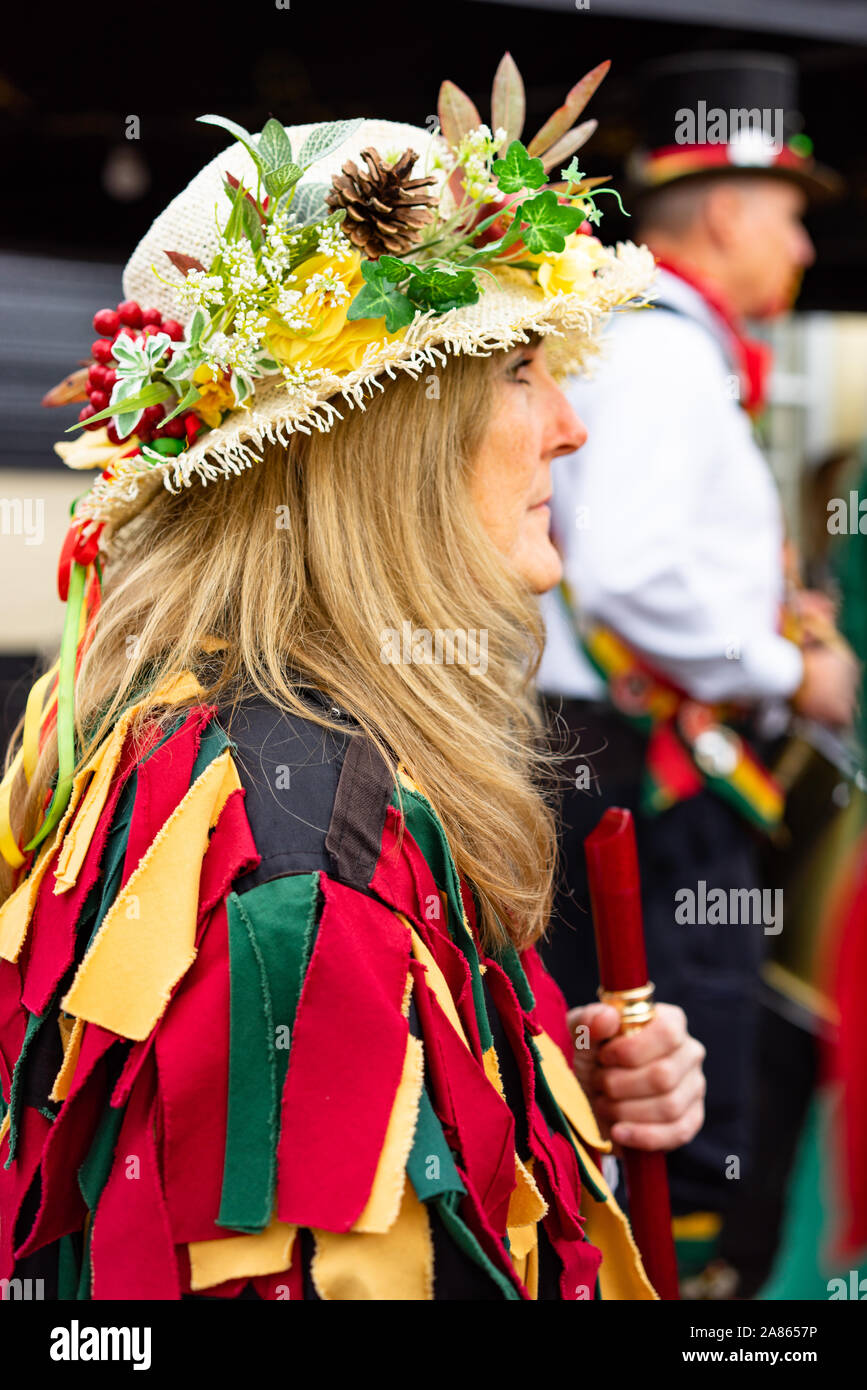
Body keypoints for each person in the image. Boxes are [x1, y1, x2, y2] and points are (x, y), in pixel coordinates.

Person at [0, 62, 705, 1301]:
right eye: (517, 373)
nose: (570, 427)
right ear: (388, 441)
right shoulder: (296, 856)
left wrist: (546, 1103)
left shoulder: (257, 748)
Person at [537, 52, 858, 1273]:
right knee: (687, 1052)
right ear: (725, 210)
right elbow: (627, 573)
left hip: (610, 754)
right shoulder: (667, 355)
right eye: (789, 216)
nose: (805, 249)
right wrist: (789, 669)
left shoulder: (646, 345)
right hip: (640, 775)